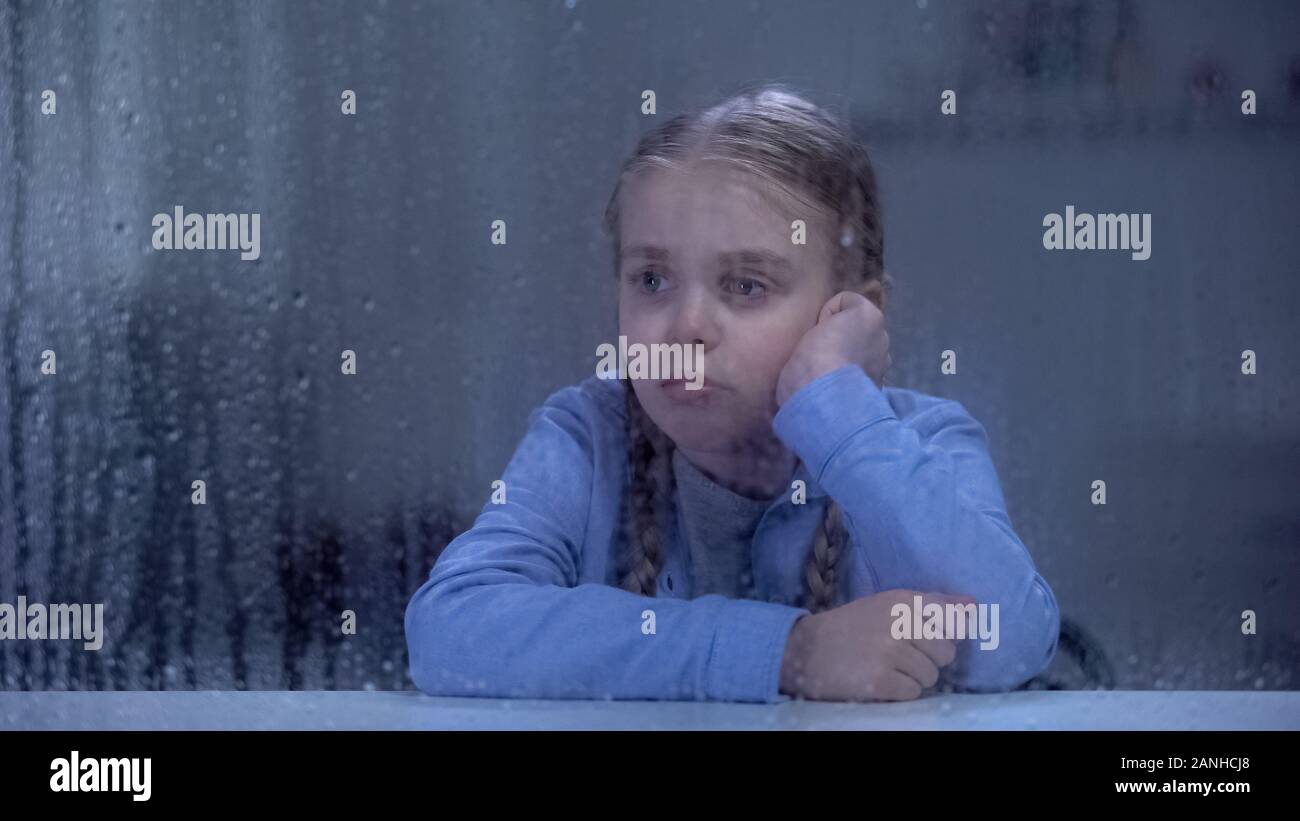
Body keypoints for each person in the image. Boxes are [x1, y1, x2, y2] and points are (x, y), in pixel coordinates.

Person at [405, 84, 1059, 703]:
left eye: (747, 285)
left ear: (851, 314)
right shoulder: (586, 434)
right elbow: (449, 630)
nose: (687, 326)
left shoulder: (920, 440)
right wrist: (788, 652)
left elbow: (1012, 639)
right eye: (652, 280)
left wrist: (841, 409)